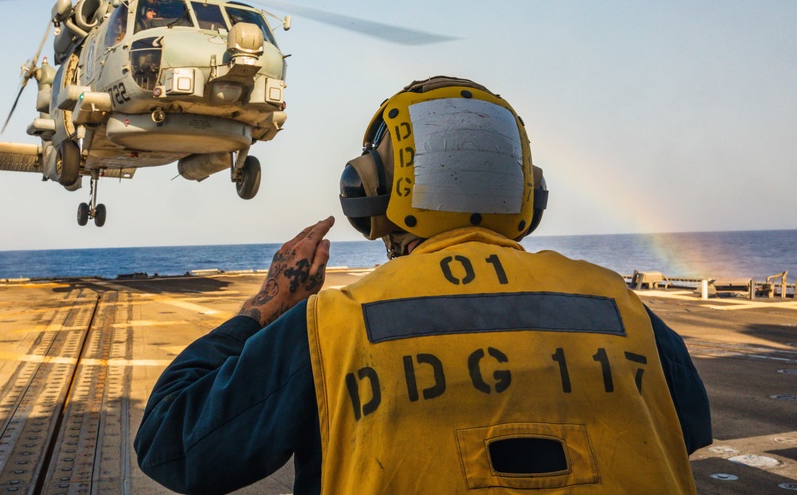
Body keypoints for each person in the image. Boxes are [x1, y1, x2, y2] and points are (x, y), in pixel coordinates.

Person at [135, 76, 712, 494]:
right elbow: (686, 424)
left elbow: (170, 444)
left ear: (369, 190)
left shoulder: (334, 327)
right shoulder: (619, 306)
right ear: (527, 193)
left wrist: (267, 306)